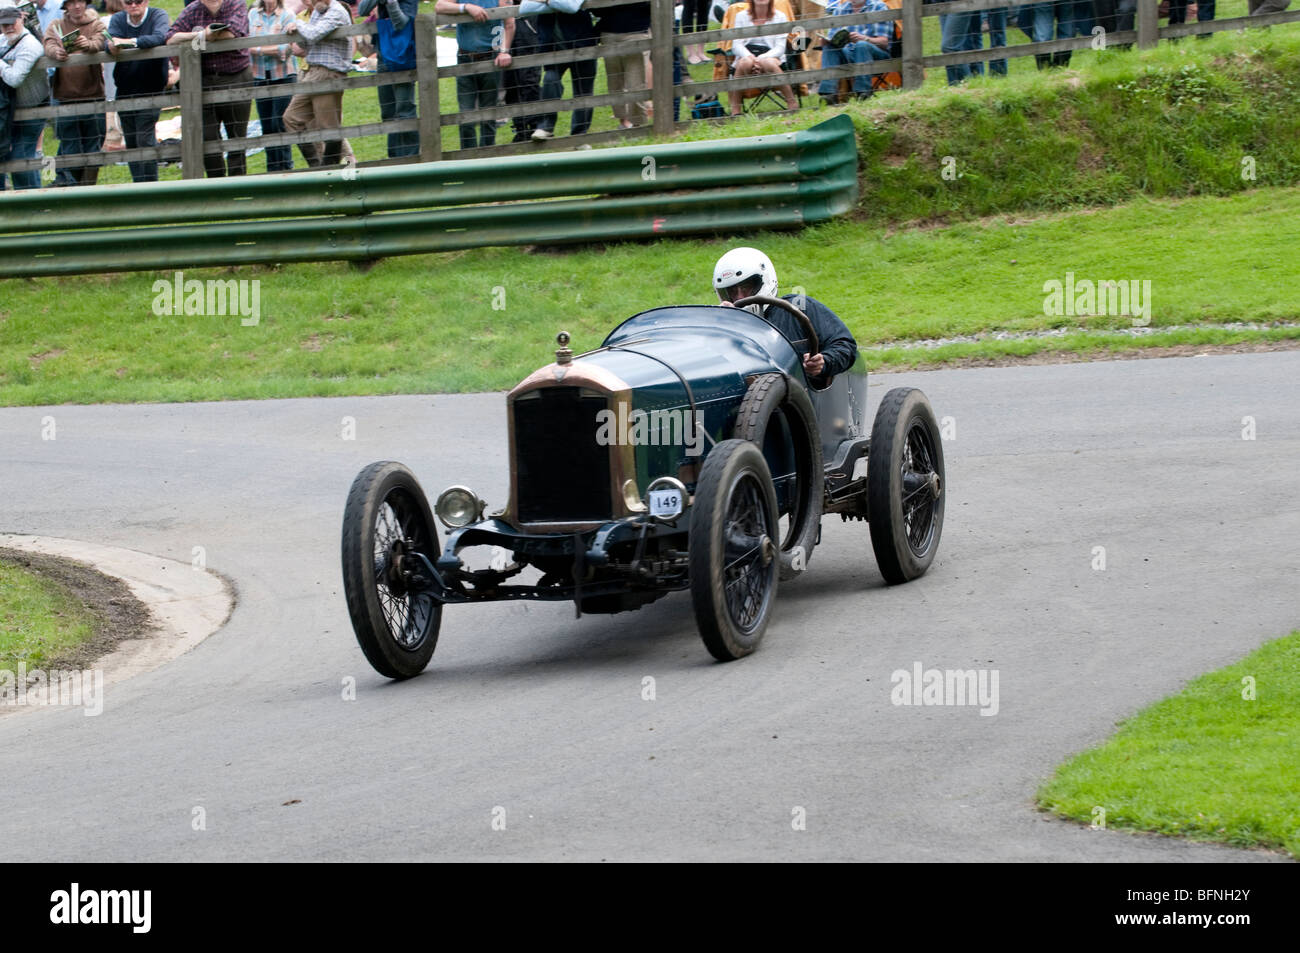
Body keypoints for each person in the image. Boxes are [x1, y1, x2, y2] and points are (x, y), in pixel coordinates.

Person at [712, 247, 857, 385]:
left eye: (745, 287)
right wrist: (723, 326)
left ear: (764, 280)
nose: (739, 297)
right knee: (694, 412)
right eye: (731, 291)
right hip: (746, 405)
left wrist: (823, 362)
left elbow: (845, 345)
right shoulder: (723, 324)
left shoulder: (797, 308)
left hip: (799, 401)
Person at [166, 0, 253, 177]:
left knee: (237, 136)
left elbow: (231, 33)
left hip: (235, 77)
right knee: (207, 137)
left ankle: (238, 185)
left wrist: (196, 36)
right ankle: (217, 185)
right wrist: (205, 34)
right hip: (203, 81)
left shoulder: (236, 4)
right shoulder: (192, 10)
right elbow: (170, 38)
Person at [43, 0, 108, 186]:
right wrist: (56, 52)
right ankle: (72, 187)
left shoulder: (96, 24)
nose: (77, 6)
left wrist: (88, 44)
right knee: (70, 147)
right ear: (66, 7)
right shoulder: (56, 25)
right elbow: (47, 43)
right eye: (72, 3)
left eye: (80, 2)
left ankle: (88, 188)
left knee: (93, 147)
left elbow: (101, 41)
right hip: (65, 97)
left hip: (93, 95)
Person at [435, 0, 512, 150]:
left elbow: (510, 23)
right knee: (466, 115)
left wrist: (504, 52)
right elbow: (439, 6)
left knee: (488, 113)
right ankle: (467, 159)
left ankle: (487, 157)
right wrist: (466, 7)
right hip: (465, 59)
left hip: (490, 58)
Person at [281, 0, 350, 167]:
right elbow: (306, 42)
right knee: (291, 118)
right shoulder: (319, 11)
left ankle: (330, 172)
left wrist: (296, 24)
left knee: (328, 127)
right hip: (312, 72)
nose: (312, 2)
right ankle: (317, 166)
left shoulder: (336, 11)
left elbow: (313, 34)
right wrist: (293, 30)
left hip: (328, 73)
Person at [107, 0, 167, 182]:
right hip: (125, 88)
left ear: (146, 1)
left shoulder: (158, 15)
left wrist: (128, 42)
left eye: (138, 1)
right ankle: (138, 186)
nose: (134, 5)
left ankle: (149, 188)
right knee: (132, 143)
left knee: (144, 139)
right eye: (128, 2)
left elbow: (160, 37)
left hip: (152, 88)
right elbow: (109, 42)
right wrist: (112, 45)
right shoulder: (118, 18)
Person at [357, 0, 416, 157]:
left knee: (404, 109)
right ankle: (395, 159)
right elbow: (362, 10)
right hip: (383, 55)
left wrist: (391, 3)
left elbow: (401, 25)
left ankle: (410, 159)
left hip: (403, 55)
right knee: (388, 112)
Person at [530, 5, 596, 141]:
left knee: (583, 92)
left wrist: (549, 1)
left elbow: (573, 5)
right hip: (552, 47)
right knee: (550, 79)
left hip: (582, 44)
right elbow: (525, 6)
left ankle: (579, 135)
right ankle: (546, 127)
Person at [1, 4, 49, 189]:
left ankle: (32, 204)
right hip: (10, 109)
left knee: (21, 157)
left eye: (12, 23)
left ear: (21, 20)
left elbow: (14, 79)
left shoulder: (30, 45)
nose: (9, 28)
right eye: (4, 25)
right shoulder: (4, 40)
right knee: (5, 155)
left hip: (33, 107)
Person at [248, 0, 297, 172]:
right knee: (266, 125)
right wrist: (268, 47)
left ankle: (285, 168)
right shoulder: (253, 15)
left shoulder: (288, 15)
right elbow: (245, 44)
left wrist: (258, 48)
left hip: (283, 74)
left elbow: (284, 49)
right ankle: (272, 170)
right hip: (260, 75)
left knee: (279, 122)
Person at [728, 0, 797, 115]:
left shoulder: (780, 16)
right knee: (744, 63)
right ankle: (735, 110)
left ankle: (792, 103)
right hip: (747, 54)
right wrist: (750, 57)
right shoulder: (741, 16)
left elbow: (780, 48)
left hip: (772, 55)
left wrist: (760, 58)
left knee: (768, 62)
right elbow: (736, 45)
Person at [819, 0, 892, 103]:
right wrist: (826, 42)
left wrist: (865, 39)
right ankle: (828, 94)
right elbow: (832, 38)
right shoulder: (840, 9)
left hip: (876, 54)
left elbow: (884, 42)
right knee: (830, 47)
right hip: (848, 53)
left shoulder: (879, 6)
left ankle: (863, 92)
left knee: (861, 45)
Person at [596, 1, 649, 129]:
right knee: (615, 82)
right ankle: (624, 121)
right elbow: (595, 9)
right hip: (609, 33)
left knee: (636, 81)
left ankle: (637, 123)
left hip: (636, 32)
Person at [501, 11, 541, 142]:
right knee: (510, 81)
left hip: (526, 23)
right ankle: (520, 128)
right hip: (505, 23)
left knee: (530, 79)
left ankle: (535, 125)